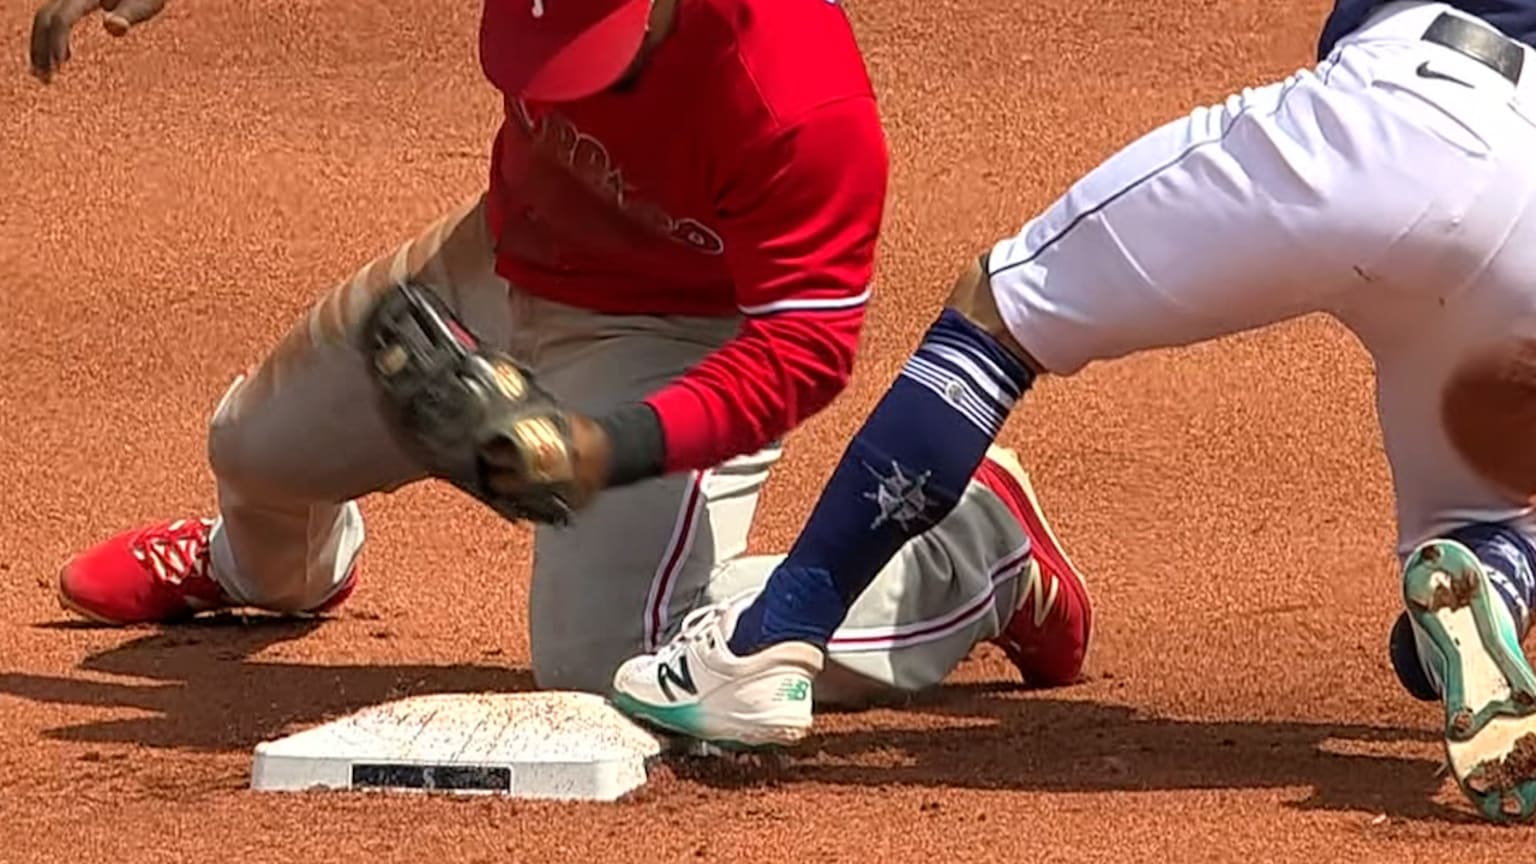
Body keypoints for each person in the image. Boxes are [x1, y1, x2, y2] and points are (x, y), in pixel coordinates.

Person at [610, 0, 1536, 824]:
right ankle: (1490, 590)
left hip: (1398, 115)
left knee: (998, 313)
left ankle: (767, 641)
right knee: (1483, 523)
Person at [28, 0, 1093, 702]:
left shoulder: (798, 100)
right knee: (253, 448)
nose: (566, 82)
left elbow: (804, 348)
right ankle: (265, 572)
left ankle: (969, 553)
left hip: (674, 336)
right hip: (497, 256)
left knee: (614, 669)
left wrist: (610, 443)